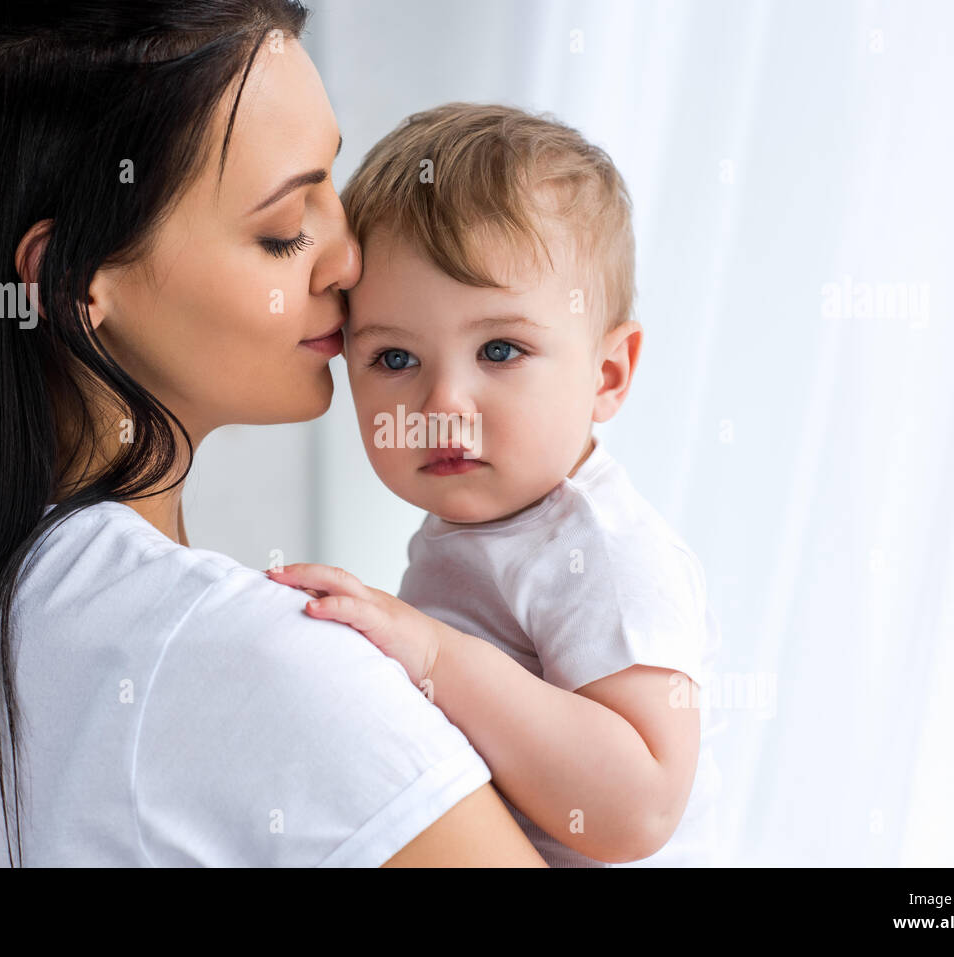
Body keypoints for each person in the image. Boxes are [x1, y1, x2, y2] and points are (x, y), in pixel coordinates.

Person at [0, 0, 545, 867]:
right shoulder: (255, 662)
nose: (349, 259)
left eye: (333, 179)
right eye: (283, 232)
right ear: (69, 287)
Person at [266, 103, 722, 866]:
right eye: (396, 360)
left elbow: (638, 806)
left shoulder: (602, 551)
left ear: (607, 375)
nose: (443, 405)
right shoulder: (476, 530)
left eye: (501, 349)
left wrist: (435, 658)